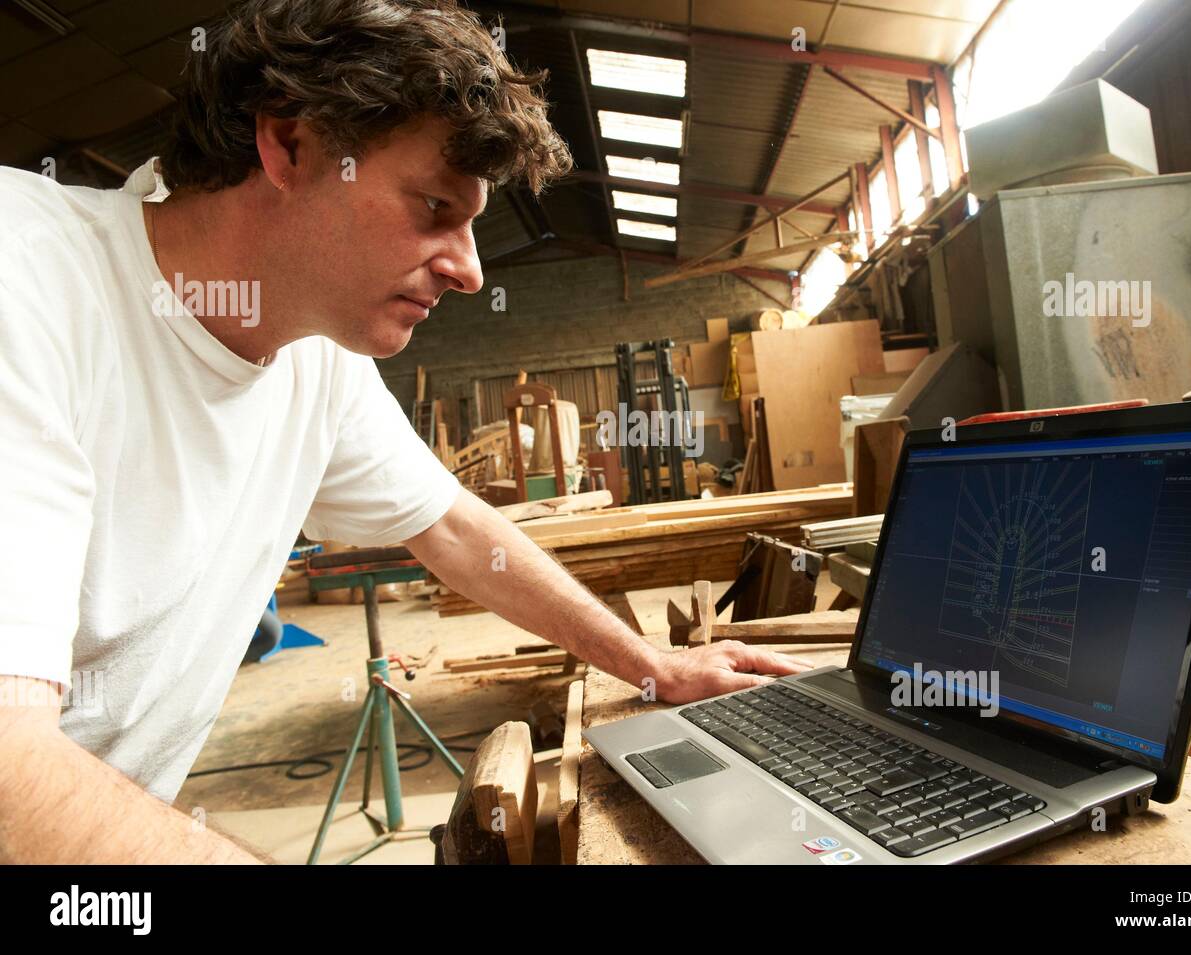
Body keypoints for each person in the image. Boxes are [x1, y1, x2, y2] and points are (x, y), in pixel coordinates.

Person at [0, 0, 810, 863]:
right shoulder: (32, 277)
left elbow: (455, 529)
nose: (468, 268)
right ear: (289, 145)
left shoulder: (315, 360)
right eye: (434, 208)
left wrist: (654, 666)